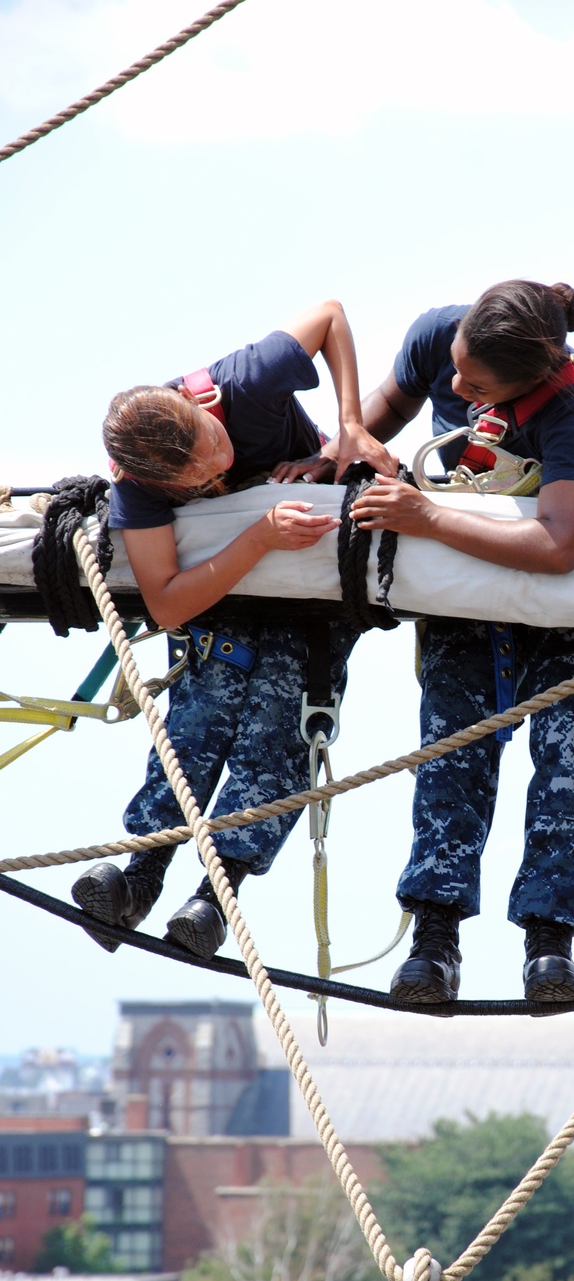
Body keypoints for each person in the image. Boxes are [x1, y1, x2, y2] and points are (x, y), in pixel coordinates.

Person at [276, 279, 574, 1006]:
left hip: (564, 605)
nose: (460, 383)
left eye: (477, 383)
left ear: (528, 380)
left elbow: (559, 543)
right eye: (458, 369)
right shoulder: (440, 335)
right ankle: (433, 942)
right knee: (452, 755)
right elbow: (377, 419)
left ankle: (549, 946)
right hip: (468, 592)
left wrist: (429, 520)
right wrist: (330, 458)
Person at [71, 300, 396, 958]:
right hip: (222, 597)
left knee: (277, 728)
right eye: (202, 474)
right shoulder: (140, 490)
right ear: (161, 483)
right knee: (199, 712)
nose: (221, 458)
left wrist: (349, 429)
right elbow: (165, 604)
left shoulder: (245, 382)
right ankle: (141, 878)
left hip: (309, 601)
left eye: (214, 441)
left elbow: (330, 316)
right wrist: (259, 537)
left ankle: (218, 897)